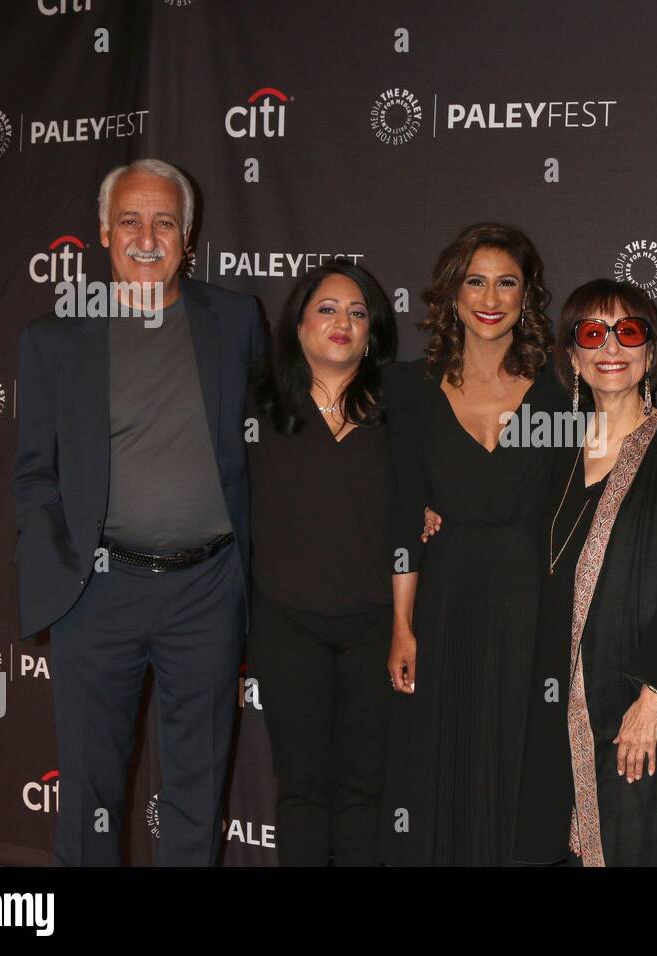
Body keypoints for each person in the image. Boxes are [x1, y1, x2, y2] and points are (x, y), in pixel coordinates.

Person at [13, 158, 265, 865]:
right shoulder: (53, 342)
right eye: (130, 220)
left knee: (197, 789)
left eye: (164, 222)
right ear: (103, 233)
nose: (146, 237)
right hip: (97, 593)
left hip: (207, 592)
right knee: (90, 795)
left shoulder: (235, 321)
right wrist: (61, 566)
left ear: (189, 237)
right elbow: (34, 473)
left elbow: (282, 434)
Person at [508, 279, 657, 867]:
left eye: (628, 331)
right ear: (573, 357)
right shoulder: (548, 449)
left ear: (650, 352)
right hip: (550, 696)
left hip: (638, 696)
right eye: (592, 333)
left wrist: (653, 698)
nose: (611, 346)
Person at [380, 223, 563, 865]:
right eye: (475, 280)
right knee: (440, 760)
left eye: (506, 282)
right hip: (444, 598)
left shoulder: (561, 387)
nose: (490, 297)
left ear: (526, 295)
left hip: (532, 603)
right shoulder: (408, 388)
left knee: (518, 760)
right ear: (451, 293)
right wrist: (403, 626)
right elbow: (403, 516)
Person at [247, 261, 397, 865]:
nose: (343, 322)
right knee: (303, 790)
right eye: (328, 309)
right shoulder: (258, 403)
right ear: (299, 323)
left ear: (373, 331)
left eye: (358, 313)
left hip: (377, 626)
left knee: (364, 792)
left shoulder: (401, 405)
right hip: (288, 623)